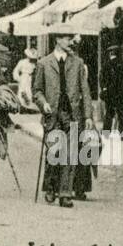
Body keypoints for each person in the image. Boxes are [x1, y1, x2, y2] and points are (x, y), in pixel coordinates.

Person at [31, 29, 92, 208]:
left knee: (71, 154)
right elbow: (37, 91)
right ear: (57, 39)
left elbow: (85, 91)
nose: (70, 41)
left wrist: (88, 116)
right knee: (55, 152)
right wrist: (44, 104)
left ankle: (65, 193)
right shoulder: (44, 63)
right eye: (66, 38)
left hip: (72, 114)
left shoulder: (78, 63)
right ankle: (50, 188)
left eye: (70, 38)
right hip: (52, 115)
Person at [101, 47, 123, 134]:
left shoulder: (106, 65)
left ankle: (106, 132)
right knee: (122, 114)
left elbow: (102, 79)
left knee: (109, 113)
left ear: (110, 53)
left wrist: (104, 89)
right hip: (121, 94)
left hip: (110, 94)